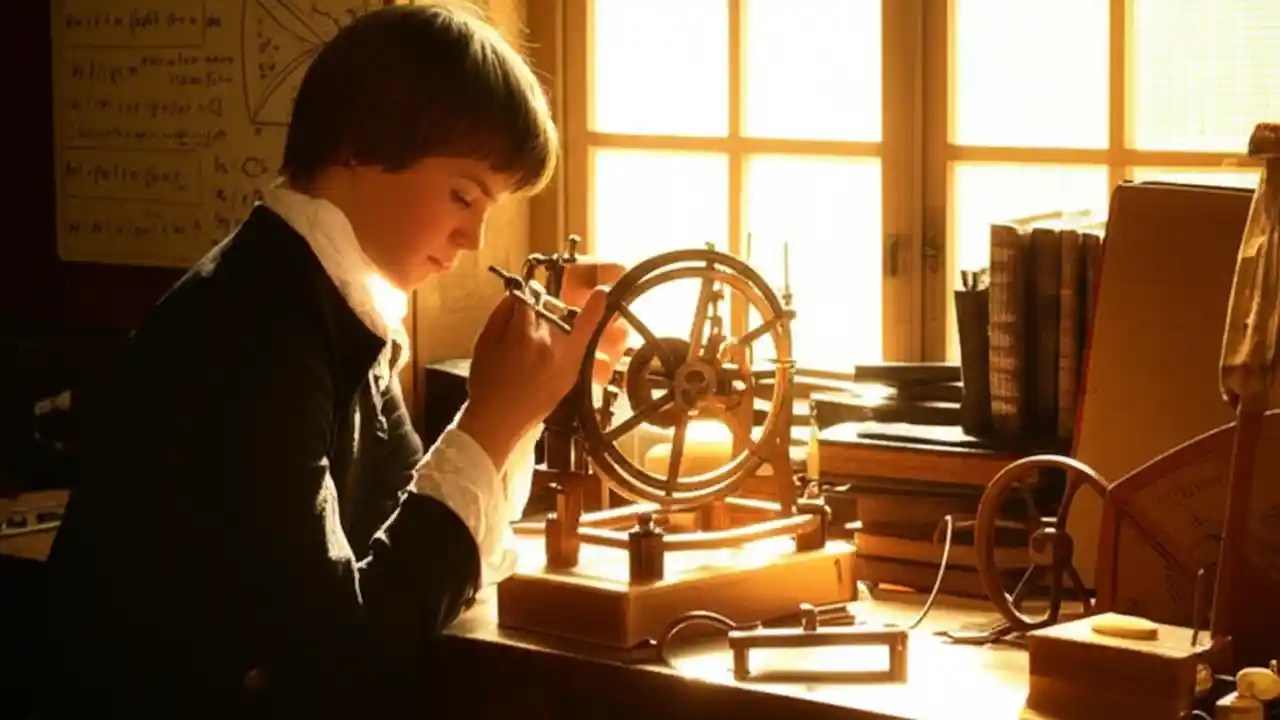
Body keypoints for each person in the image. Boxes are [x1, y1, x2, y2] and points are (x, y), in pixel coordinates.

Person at [39, 3, 626, 716]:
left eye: (488, 210)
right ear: (357, 145)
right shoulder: (253, 330)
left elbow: (400, 557)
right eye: (463, 196)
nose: (474, 238)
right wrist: (491, 421)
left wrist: (521, 408)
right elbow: (334, 651)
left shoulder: (326, 300)